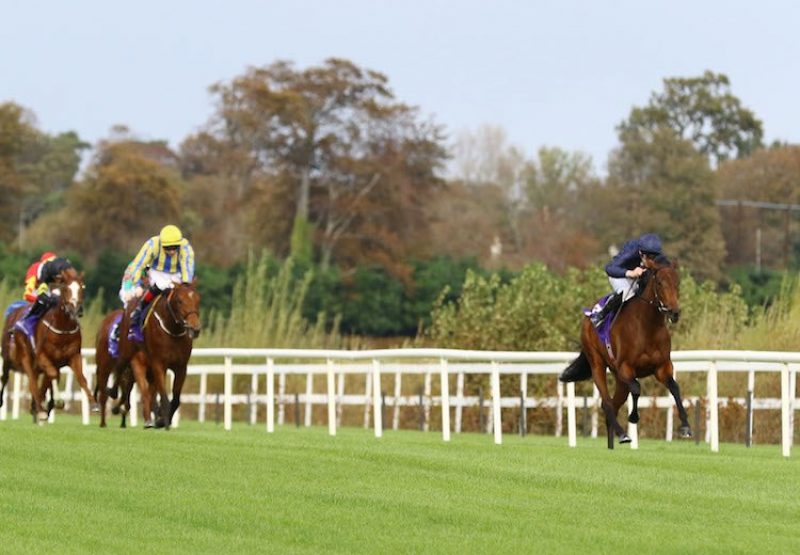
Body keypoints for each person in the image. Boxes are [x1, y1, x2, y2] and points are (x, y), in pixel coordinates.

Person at [120, 224, 195, 342]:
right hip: (156, 271)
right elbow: (139, 264)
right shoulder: (152, 244)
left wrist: (186, 283)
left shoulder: (185, 247)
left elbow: (187, 266)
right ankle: (137, 314)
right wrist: (135, 284)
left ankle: (190, 320)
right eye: (168, 248)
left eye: (174, 247)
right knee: (158, 287)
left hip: (176, 273)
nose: (171, 251)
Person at [588, 232, 663, 327]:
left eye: (654, 257)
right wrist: (630, 273)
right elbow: (610, 268)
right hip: (620, 275)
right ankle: (601, 315)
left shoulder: (656, 253)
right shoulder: (631, 251)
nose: (652, 260)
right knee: (627, 293)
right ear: (641, 253)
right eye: (649, 257)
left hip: (639, 277)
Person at [15, 252, 74, 337]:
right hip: (35, 297)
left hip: (48, 295)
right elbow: (28, 293)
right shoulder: (35, 269)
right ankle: (24, 323)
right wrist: (43, 300)